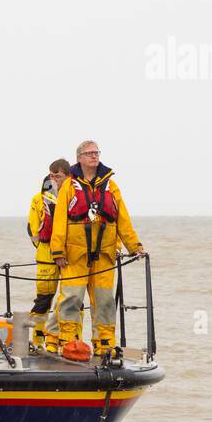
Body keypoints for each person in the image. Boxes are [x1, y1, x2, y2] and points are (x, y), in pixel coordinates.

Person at [49, 141, 146, 360]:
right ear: (79, 158)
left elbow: (123, 220)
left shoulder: (111, 186)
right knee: (71, 298)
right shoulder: (68, 186)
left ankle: (104, 344)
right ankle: (69, 342)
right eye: (89, 153)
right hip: (75, 255)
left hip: (104, 254)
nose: (94, 156)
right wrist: (58, 252)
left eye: (96, 152)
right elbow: (60, 220)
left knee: (105, 300)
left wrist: (135, 246)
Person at [26, 158, 70, 349]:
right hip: (64, 256)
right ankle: (59, 339)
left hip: (47, 257)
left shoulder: (38, 198)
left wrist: (42, 248)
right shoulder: (69, 196)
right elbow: (34, 230)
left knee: (45, 300)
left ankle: (41, 340)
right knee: (67, 299)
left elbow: (32, 230)